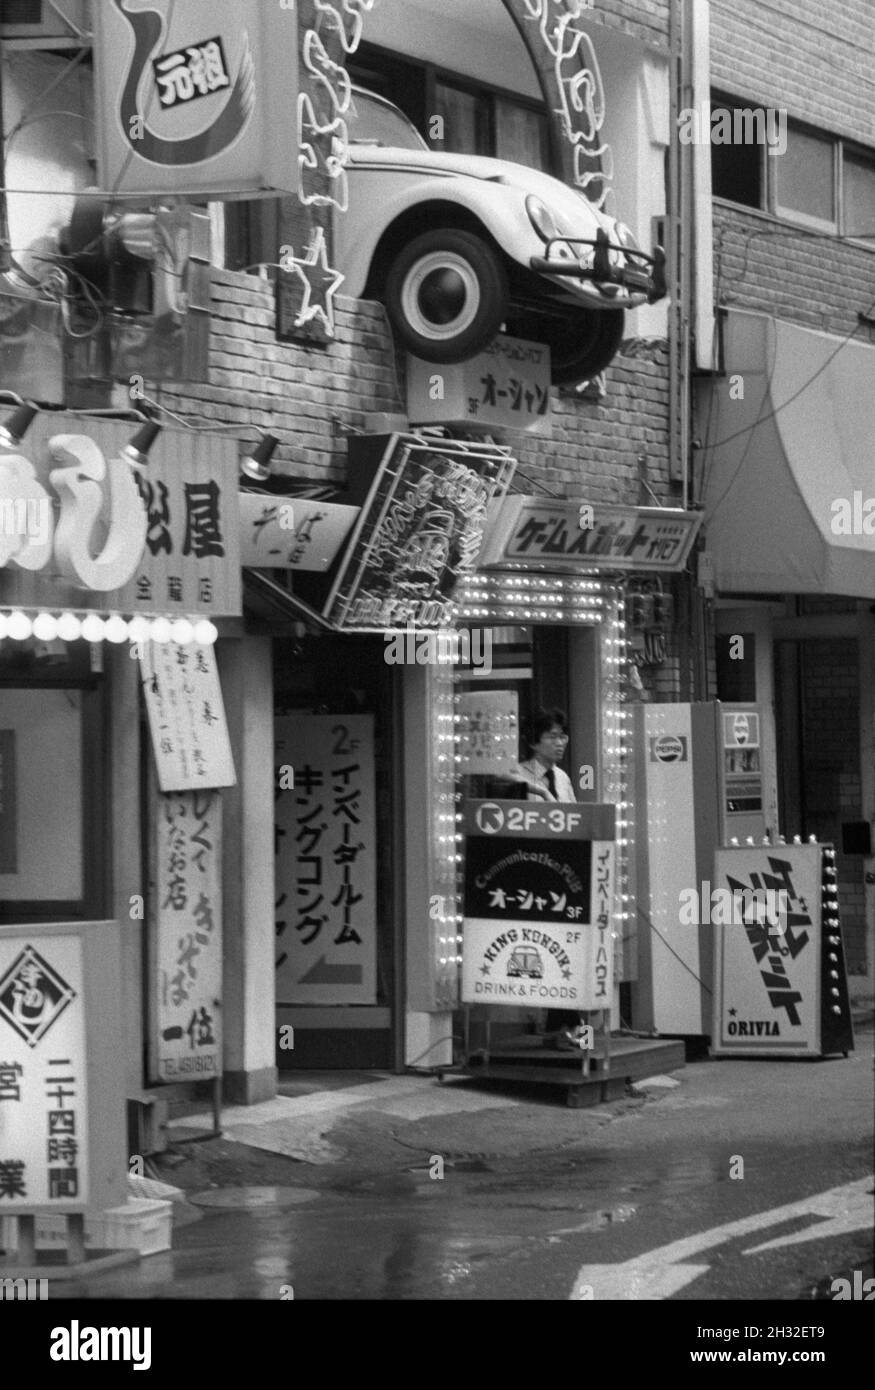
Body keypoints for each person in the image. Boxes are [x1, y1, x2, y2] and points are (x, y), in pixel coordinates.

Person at [510, 708, 588, 1049]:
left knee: (570, 954)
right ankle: (561, 1030)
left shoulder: (564, 778)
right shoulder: (519, 776)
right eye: (552, 736)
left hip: (565, 876)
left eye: (563, 736)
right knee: (546, 952)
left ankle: (569, 1031)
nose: (560, 743)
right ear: (534, 741)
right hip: (533, 877)